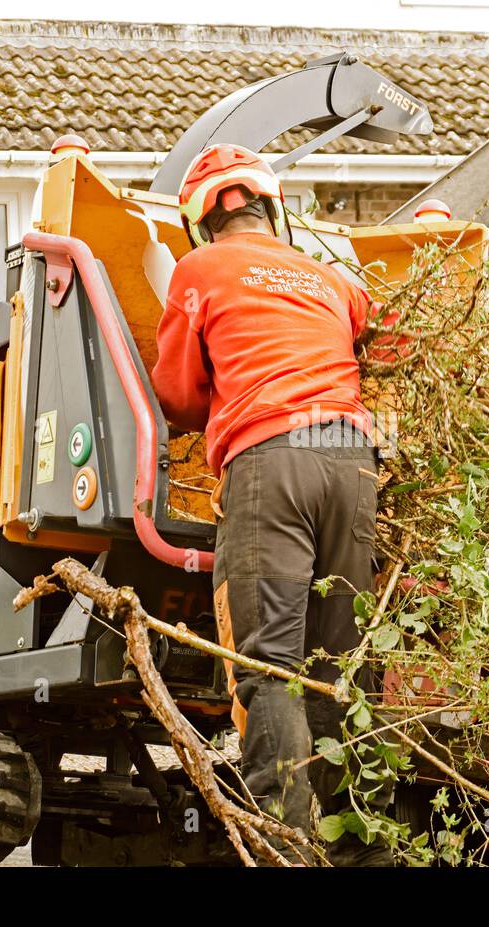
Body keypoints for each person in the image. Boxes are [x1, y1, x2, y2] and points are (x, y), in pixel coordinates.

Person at [152, 143, 392, 866]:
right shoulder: (332, 280)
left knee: (270, 669)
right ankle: (367, 854)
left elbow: (177, 392)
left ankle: (284, 851)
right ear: (272, 209)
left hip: (272, 464)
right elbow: (386, 345)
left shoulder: (198, 270)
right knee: (342, 669)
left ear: (201, 223)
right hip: (354, 465)